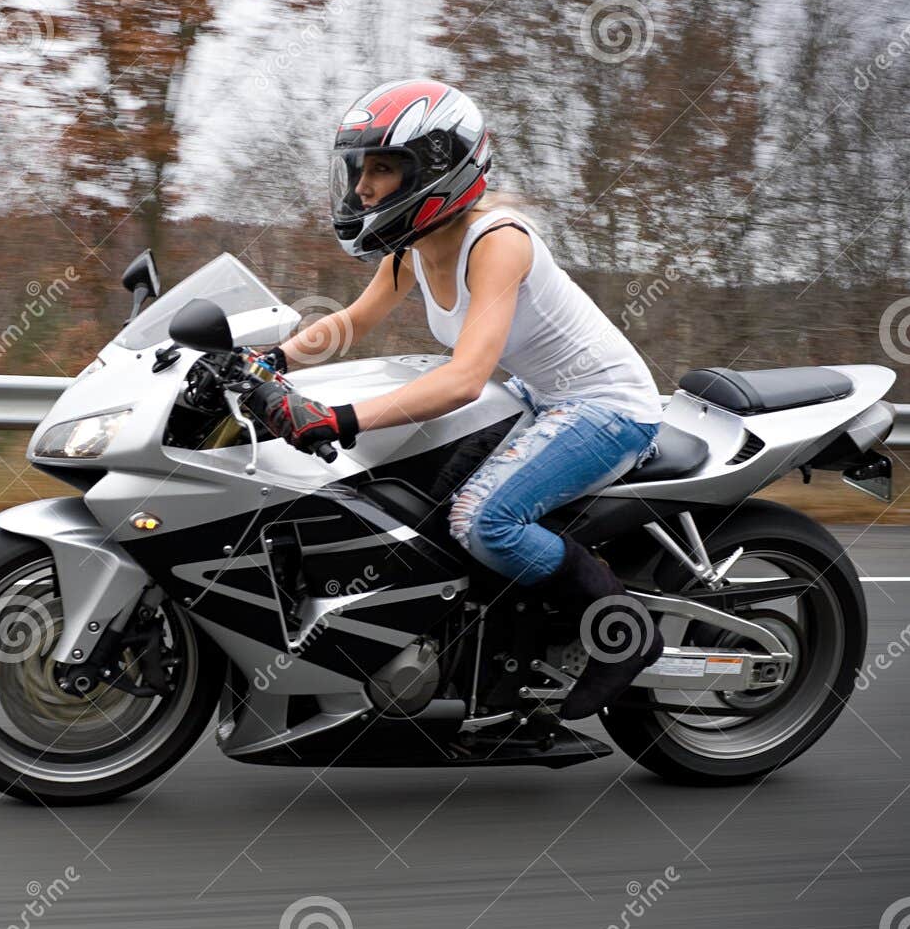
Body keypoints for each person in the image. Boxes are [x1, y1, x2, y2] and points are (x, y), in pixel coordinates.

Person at [248, 78, 665, 722]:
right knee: (425, 502)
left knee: (481, 521)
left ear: (438, 168)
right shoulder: (414, 246)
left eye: (383, 168)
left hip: (604, 406)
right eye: (361, 168)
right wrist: (267, 362)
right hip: (537, 394)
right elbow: (352, 322)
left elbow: (465, 377)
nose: (362, 187)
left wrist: (339, 420)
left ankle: (622, 630)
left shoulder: (499, 241)